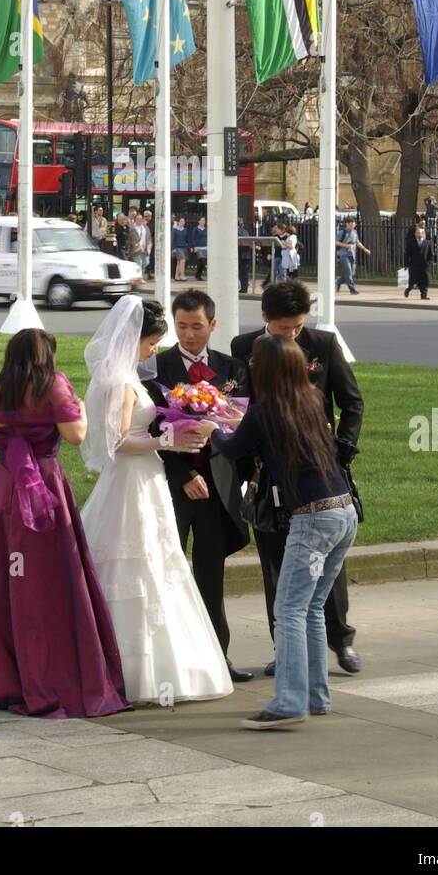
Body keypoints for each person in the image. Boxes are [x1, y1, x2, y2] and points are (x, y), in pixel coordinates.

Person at [0, 329, 129, 719]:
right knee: (51, 585)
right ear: (49, 356)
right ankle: (55, 674)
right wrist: (80, 406)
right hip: (45, 487)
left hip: (3, 489)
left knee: (8, 584)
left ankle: (13, 678)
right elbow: (76, 436)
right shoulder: (54, 386)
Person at [80, 296, 232, 704]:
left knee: (157, 560)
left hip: (145, 477)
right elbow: (115, 443)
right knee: (136, 561)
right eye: (151, 344)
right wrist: (171, 440)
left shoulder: (125, 377)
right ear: (133, 339)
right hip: (131, 480)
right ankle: (131, 668)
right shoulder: (120, 383)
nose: (153, 352)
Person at [204, 335, 358, 729]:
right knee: (310, 609)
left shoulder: (265, 409)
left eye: (256, 363)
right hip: (343, 512)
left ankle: (289, 703)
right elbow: (263, 434)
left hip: (312, 518)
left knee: (288, 609)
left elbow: (234, 449)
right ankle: (315, 696)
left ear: (268, 369)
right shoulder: (308, 400)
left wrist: (209, 426)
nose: (251, 368)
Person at [230, 279, 364, 675]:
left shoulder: (322, 345)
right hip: (268, 469)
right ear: (264, 318)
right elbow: (240, 404)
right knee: (276, 560)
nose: (290, 335)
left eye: (296, 328)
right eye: (282, 328)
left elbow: (351, 402)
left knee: (326, 563)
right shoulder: (244, 348)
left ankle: (341, 639)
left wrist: (342, 449)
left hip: (318, 468)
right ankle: (284, 648)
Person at [145, 289, 252, 682]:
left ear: (212, 324)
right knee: (166, 570)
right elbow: (150, 427)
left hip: (217, 486)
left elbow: (242, 421)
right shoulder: (155, 367)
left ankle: (217, 659)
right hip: (171, 484)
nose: (188, 335)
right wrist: (183, 474)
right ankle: (165, 659)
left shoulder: (233, 367)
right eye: (181, 326)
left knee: (211, 573)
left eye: (197, 326)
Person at [335, 217, 370, 294]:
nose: (352, 226)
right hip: (344, 254)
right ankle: (352, 290)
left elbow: (357, 242)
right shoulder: (342, 232)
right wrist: (346, 246)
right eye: (351, 225)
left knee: (351, 273)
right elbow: (336, 242)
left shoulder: (355, 232)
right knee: (348, 272)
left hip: (352, 255)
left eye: (354, 225)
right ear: (347, 224)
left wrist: (365, 249)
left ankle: (339, 282)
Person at [404, 220, 433, 299]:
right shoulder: (411, 242)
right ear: (415, 234)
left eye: (421, 233)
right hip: (414, 265)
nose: (419, 234)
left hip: (424, 265)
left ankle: (424, 295)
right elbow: (407, 254)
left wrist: (429, 263)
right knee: (412, 280)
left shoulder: (428, 243)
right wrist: (406, 264)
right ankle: (408, 289)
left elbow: (431, 254)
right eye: (417, 233)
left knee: (424, 280)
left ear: (423, 234)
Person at [189, 216, 207, 280]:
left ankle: (198, 275)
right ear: (199, 221)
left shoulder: (206, 229)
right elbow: (193, 238)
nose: (203, 222)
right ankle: (198, 275)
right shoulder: (195, 229)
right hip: (198, 247)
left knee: (203, 262)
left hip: (205, 247)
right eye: (202, 220)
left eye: (204, 220)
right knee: (202, 260)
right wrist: (194, 247)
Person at [171, 215, 188, 281]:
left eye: (183, 221)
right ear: (178, 222)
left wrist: (188, 245)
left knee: (179, 262)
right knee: (183, 261)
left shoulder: (185, 230)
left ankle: (176, 276)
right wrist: (173, 248)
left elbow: (186, 239)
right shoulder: (175, 230)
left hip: (184, 247)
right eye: (181, 221)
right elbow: (173, 240)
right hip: (177, 247)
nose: (182, 222)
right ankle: (182, 275)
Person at [237, 218, 251, 294]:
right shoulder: (245, 231)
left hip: (240, 253)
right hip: (246, 253)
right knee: (244, 272)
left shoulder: (236, 231)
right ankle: (244, 286)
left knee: (241, 272)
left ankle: (244, 287)